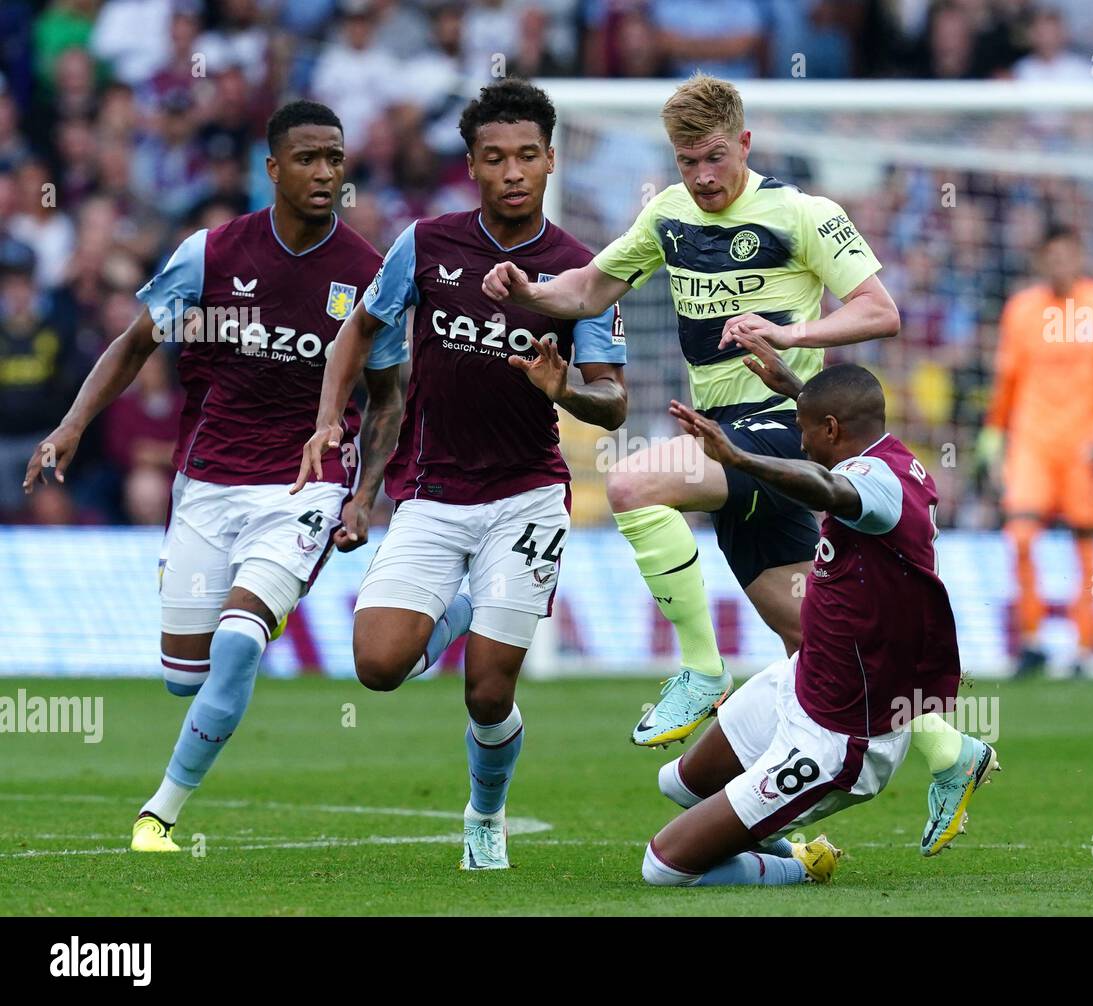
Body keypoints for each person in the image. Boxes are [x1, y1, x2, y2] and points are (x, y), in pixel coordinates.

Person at [23, 100, 409, 852]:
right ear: (273, 169)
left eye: (335, 157)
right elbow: (134, 346)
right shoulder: (210, 254)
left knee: (239, 642)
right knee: (183, 676)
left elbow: (390, 397)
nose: (326, 172)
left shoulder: (368, 274)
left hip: (306, 485)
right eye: (308, 158)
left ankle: (159, 812)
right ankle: (220, 644)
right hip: (205, 484)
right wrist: (72, 426)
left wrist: (365, 496)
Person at [482, 73, 900, 748]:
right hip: (722, 435)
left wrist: (788, 333)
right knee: (815, 644)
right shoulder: (669, 214)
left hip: (783, 423)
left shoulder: (803, 214)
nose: (703, 177)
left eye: (715, 157)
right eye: (687, 161)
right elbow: (589, 290)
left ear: (744, 143)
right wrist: (529, 291)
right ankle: (951, 747)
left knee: (630, 484)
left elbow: (881, 311)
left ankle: (704, 670)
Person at [295, 79, 627, 871]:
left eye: (526, 156)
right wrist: (325, 421)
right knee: (376, 666)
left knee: (487, 692)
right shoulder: (425, 243)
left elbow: (613, 406)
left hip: (528, 497)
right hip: (434, 492)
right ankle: (464, 607)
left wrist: (565, 389)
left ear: (551, 160)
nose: (512, 171)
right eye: (493, 157)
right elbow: (356, 333)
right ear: (472, 167)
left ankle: (485, 812)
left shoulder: (584, 271)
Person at [642, 355, 997, 887]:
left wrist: (740, 458)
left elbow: (829, 490)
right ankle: (769, 827)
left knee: (664, 868)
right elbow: (843, 419)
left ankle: (797, 869)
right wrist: (794, 387)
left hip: (840, 737)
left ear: (832, 429)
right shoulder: (888, 454)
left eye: (804, 430)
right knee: (681, 785)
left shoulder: (874, 490)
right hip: (802, 681)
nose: (800, 442)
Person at [975, 226, 1093, 677]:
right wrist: (992, 436)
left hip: (1085, 445)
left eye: (1068, 255)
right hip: (1032, 443)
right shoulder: (1022, 309)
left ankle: (1085, 649)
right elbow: (1007, 380)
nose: (1060, 264)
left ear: (1080, 256)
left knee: (1085, 544)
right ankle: (1032, 640)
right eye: (1052, 256)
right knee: (1021, 537)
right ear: (1041, 260)